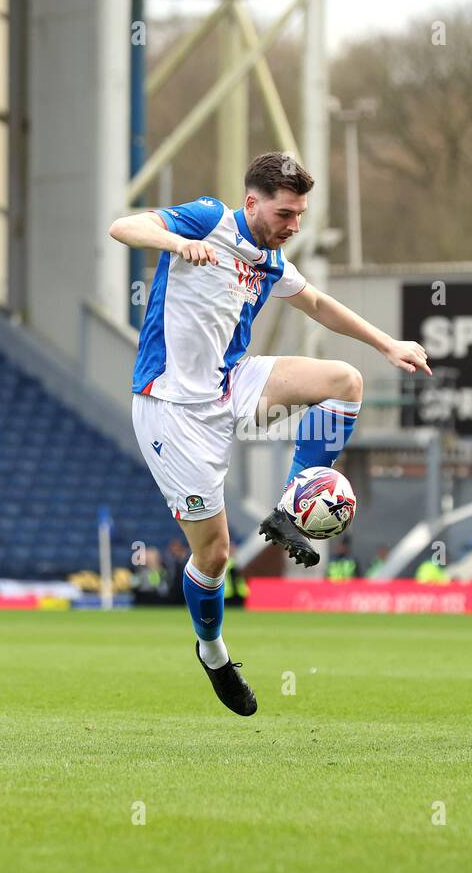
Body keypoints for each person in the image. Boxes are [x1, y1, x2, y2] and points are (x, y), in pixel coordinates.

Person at [109, 153, 430, 715]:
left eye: (301, 215)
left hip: (232, 384)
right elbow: (123, 226)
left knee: (343, 381)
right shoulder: (209, 218)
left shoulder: (271, 259)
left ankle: (292, 502)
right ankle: (212, 652)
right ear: (252, 202)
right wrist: (173, 242)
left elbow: (319, 304)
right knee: (214, 555)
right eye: (286, 213)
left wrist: (388, 345)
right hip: (172, 409)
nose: (294, 226)